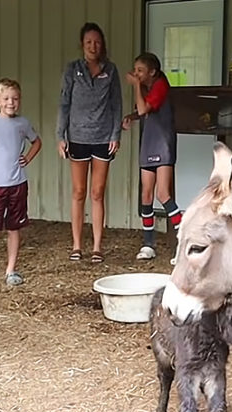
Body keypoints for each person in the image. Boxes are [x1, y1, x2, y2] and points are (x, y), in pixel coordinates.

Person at [56, 22, 123, 264]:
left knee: (97, 192)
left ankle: (96, 247)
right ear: (82, 45)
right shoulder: (73, 69)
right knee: (78, 192)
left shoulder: (111, 70)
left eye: (97, 42)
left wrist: (116, 134)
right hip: (77, 137)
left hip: (103, 138)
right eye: (88, 42)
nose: (93, 46)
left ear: (102, 44)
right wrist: (60, 135)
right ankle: (76, 245)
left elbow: (117, 104)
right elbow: (64, 104)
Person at [0, 77, 42, 288]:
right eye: (6, 98)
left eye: (14, 98)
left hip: (18, 185)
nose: (10, 102)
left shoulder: (22, 123)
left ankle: (11, 270)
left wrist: (28, 158)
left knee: (14, 228)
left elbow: (37, 142)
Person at [122, 51, 180, 264]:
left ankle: (184, 242)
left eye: (140, 71)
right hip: (148, 142)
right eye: (135, 70)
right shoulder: (149, 87)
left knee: (162, 194)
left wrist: (136, 85)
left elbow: (145, 106)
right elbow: (143, 110)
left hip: (162, 143)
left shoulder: (160, 85)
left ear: (152, 72)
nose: (136, 74)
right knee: (146, 195)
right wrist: (132, 116)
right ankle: (148, 244)